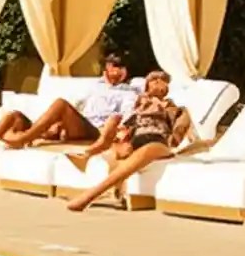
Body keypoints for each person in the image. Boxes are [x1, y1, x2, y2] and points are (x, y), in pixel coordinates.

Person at [66, 70, 202, 212]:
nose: (157, 81)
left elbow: (182, 135)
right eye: (153, 80)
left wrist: (164, 112)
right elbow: (124, 126)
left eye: (162, 80)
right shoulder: (136, 107)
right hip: (135, 139)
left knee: (144, 151)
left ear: (167, 88)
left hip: (158, 141)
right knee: (117, 137)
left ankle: (90, 195)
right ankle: (111, 182)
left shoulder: (178, 110)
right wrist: (122, 137)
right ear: (147, 87)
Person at [0, 54, 136, 157]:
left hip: (95, 129)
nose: (117, 71)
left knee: (60, 104)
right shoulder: (94, 85)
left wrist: (117, 132)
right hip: (78, 123)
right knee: (15, 116)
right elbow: (78, 106)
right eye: (114, 66)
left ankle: (23, 139)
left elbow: (127, 115)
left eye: (121, 68)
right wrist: (61, 122)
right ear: (106, 68)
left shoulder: (128, 92)